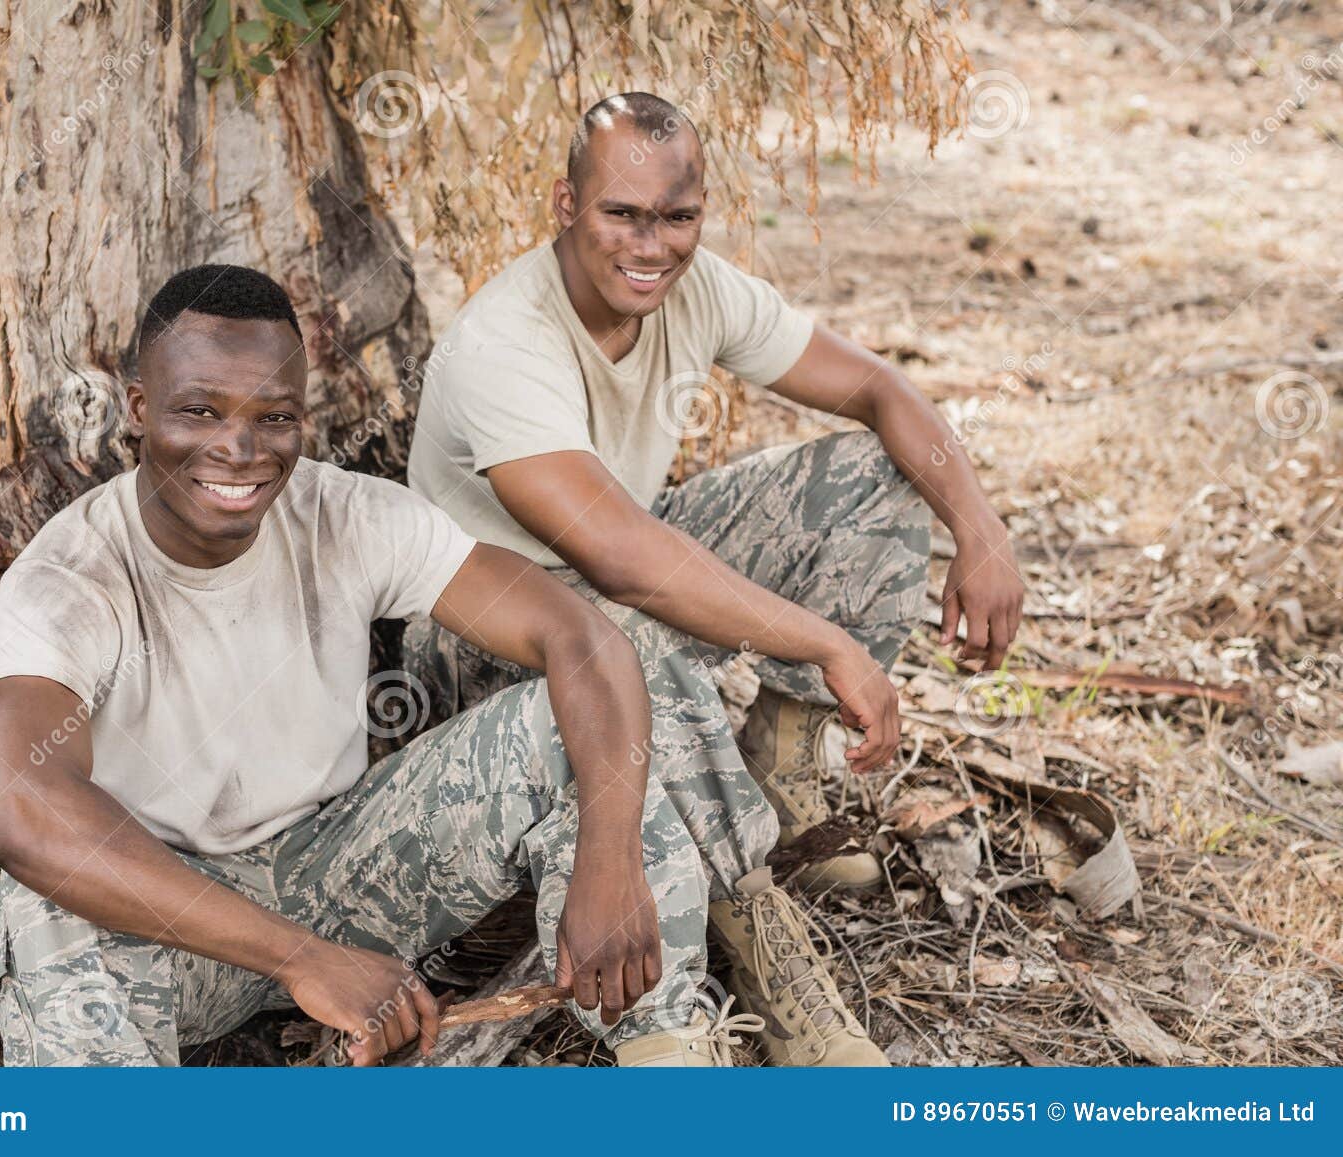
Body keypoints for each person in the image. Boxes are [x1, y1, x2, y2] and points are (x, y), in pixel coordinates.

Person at [0, 263, 858, 1069]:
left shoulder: (346, 515)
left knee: (573, 720)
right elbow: (18, 808)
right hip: (174, 919)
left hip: (344, 866)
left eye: (272, 416)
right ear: (136, 409)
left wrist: (610, 852)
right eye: (200, 410)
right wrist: (301, 959)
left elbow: (580, 639)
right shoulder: (72, 573)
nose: (239, 451)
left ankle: (671, 1051)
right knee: (38, 910)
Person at [405, 93, 1025, 1065]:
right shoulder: (504, 341)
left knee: (872, 482)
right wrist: (824, 641)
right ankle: (755, 935)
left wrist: (981, 530)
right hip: (480, 635)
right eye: (622, 213)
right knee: (628, 637)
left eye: (676, 217)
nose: (650, 245)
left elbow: (878, 388)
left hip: (614, 582)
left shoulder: (697, 292)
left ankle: (777, 784)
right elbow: (612, 554)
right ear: (565, 205)